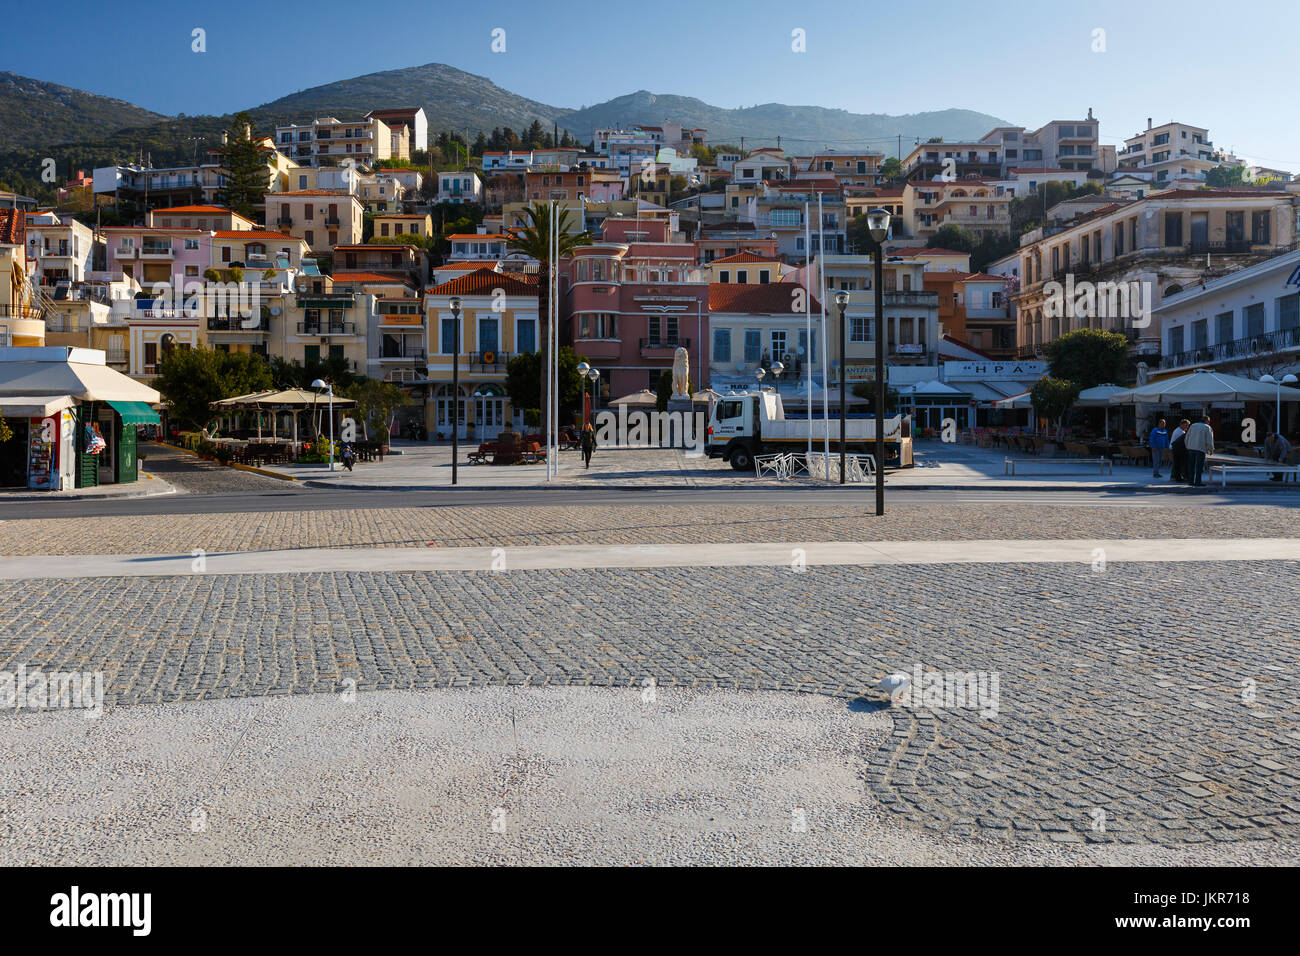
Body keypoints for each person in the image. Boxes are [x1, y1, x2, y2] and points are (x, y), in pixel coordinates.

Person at [1183, 415, 1215, 487]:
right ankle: (1198, 481)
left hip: (1191, 448)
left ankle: (1191, 481)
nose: (1209, 423)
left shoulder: (1193, 426)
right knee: (1199, 467)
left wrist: (1187, 446)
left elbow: (1187, 437)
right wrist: (1211, 449)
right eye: (1209, 421)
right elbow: (1209, 440)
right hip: (1200, 449)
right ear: (1207, 421)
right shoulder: (1207, 427)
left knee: (1191, 466)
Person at [1170, 419, 1190, 483]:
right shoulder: (1180, 432)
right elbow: (1182, 442)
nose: (1187, 427)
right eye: (1186, 425)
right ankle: (1175, 477)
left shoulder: (1179, 430)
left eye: (1188, 425)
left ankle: (1174, 477)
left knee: (1176, 463)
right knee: (1177, 464)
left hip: (1176, 448)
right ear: (1182, 425)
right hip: (1177, 449)